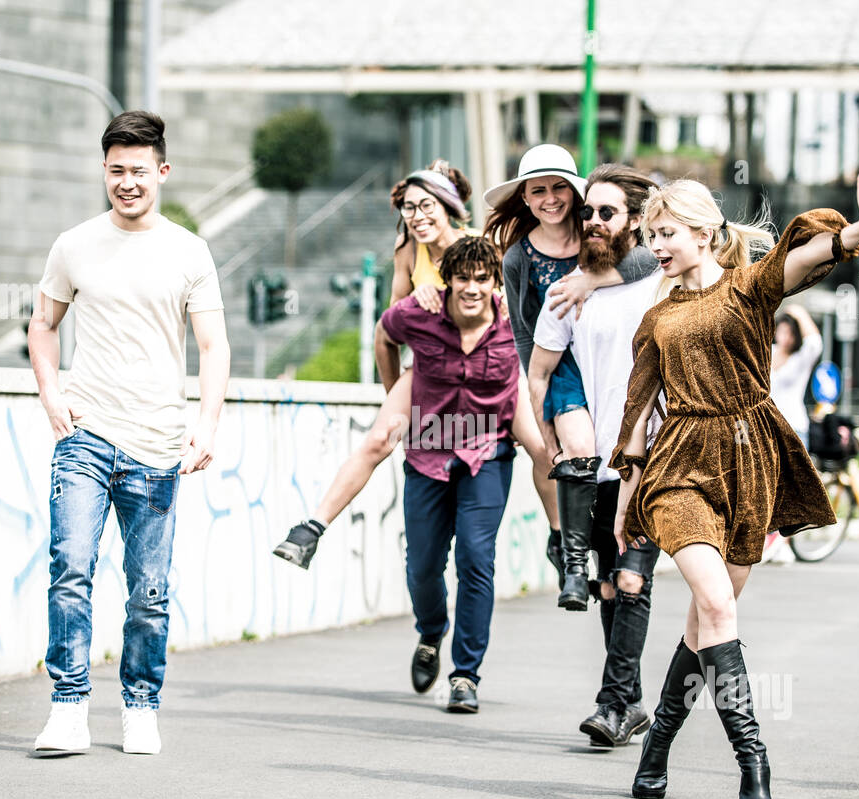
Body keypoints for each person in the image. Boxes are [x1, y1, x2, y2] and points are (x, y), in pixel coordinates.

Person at [610, 165, 859, 799]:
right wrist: (626, 500)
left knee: (705, 619)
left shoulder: (748, 289)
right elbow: (635, 412)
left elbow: (805, 256)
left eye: (668, 232)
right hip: (679, 466)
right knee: (714, 602)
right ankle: (753, 765)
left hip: (750, 463)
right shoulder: (656, 319)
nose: (658, 246)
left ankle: (655, 748)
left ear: (704, 232)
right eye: (653, 235)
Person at [27, 111, 229, 755]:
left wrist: (207, 423)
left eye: (139, 172)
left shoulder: (188, 251)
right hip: (85, 435)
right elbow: (42, 324)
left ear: (161, 172)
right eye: (116, 171)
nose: (127, 183)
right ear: (103, 171)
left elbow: (213, 344)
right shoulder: (75, 244)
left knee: (148, 592)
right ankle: (68, 707)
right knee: (70, 570)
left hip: (158, 444)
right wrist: (51, 393)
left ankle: (140, 706)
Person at [272, 162, 560, 581]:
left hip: (488, 368)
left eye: (426, 206)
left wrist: (450, 294)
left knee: (540, 447)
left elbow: (498, 310)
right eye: (408, 208)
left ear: (447, 206)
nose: (417, 216)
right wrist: (397, 395)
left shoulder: (478, 245)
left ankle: (560, 539)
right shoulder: (408, 250)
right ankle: (310, 528)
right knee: (377, 439)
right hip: (430, 368)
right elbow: (388, 323)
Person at [527, 164, 671, 748]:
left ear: (635, 222)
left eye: (606, 211)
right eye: (588, 211)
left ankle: (611, 706)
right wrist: (550, 444)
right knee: (609, 586)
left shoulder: (664, 282)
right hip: (596, 466)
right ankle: (631, 702)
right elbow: (537, 374)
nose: (591, 220)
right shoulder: (567, 291)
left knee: (632, 580)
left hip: (654, 456)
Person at [483, 144, 658, 611]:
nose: (550, 199)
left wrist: (590, 280)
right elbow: (524, 336)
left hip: (607, 357)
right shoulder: (518, 259)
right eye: (537, 190)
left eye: (559, 187)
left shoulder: (595, 233)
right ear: (524, 198)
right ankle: (571, 561)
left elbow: (645, 261)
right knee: (571, 451)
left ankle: (594, 553)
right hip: (560, 367)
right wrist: (538, 401)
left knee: (610, 460)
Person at [374, 236, 519, 713]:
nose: (472, 287)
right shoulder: (419, 315)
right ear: (448, 281)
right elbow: (384, 333)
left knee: (476, 560)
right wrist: (394, 392)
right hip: (426, 456)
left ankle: (464, 676)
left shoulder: (515, 322)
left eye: (482, 278)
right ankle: (431, 632)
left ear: (495, 282)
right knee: (422, 565)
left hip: (489, 455)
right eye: (463, 278)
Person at [770, 304, 823, 450]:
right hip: (768, 429)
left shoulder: (800, 358)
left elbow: (815, 342)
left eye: (791, 333)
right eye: (783, 331)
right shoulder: (767, 352)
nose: (786, 337)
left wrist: (797, 311)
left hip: (794, 427)